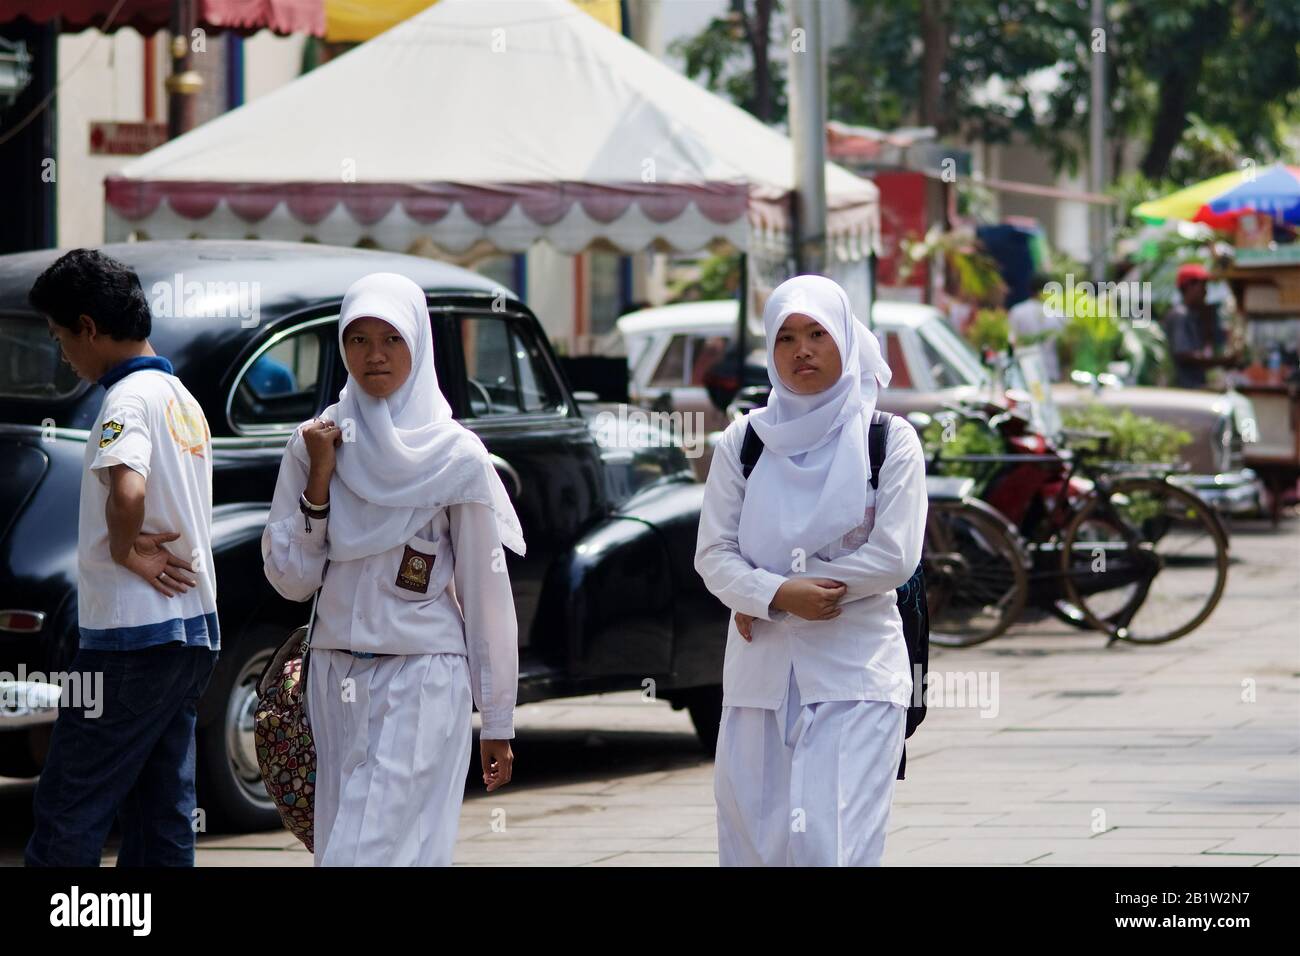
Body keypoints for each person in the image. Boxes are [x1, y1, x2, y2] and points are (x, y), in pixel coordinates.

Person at [261, 272, 525, 866]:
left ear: (419, 344)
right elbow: (292, 578)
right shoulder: (315, 444)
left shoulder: (455, 456)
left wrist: (498, 717)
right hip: (333, 678)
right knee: (350, 843)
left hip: (423, 678)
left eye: (391, 339)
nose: (373, 355)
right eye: (357, 339)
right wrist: (320, 485)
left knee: (363, 853)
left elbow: (487, 593)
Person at [695, 274, 928, 867]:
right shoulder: (743, 442)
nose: (803, 350)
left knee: (828, 845)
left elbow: (894, 555)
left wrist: (785, 593)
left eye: (818, 334)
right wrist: (774, 594)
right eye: (786, 337)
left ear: (845, 340)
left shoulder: (887, 441)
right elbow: (713, 553)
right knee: (755, 846)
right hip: (759, 679)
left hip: (855, 674)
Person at [25, 249, 219, 867]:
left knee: (69, 805)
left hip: (130, 638)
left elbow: (128, 487)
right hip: (192, 633)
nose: (63, 354)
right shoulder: (180, 397)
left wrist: (122, 548)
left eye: (60, 337)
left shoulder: (126, 400)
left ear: (87, 327)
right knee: (161, 809)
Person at [1162, 263, 1240, 389]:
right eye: (1202, 286)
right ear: (1188, 287)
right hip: (1182, 388)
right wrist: (1221, 362)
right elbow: (1183, 355)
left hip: (1192, 386)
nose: (1205, 291)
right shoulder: (1180, 315)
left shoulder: (1193, 314)